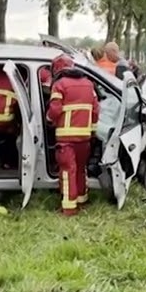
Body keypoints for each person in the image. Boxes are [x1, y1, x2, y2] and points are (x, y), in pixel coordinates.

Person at [45, 54, 99, 216]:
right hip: (84, 137)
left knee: (68, 171)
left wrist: (48, 120)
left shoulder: (59, 85)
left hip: (66, 138)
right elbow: (95, 110)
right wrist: (92, 130)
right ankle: (82, 200)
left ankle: (69, 208)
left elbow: (55, 110)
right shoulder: (89, 84)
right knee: (81, 169)